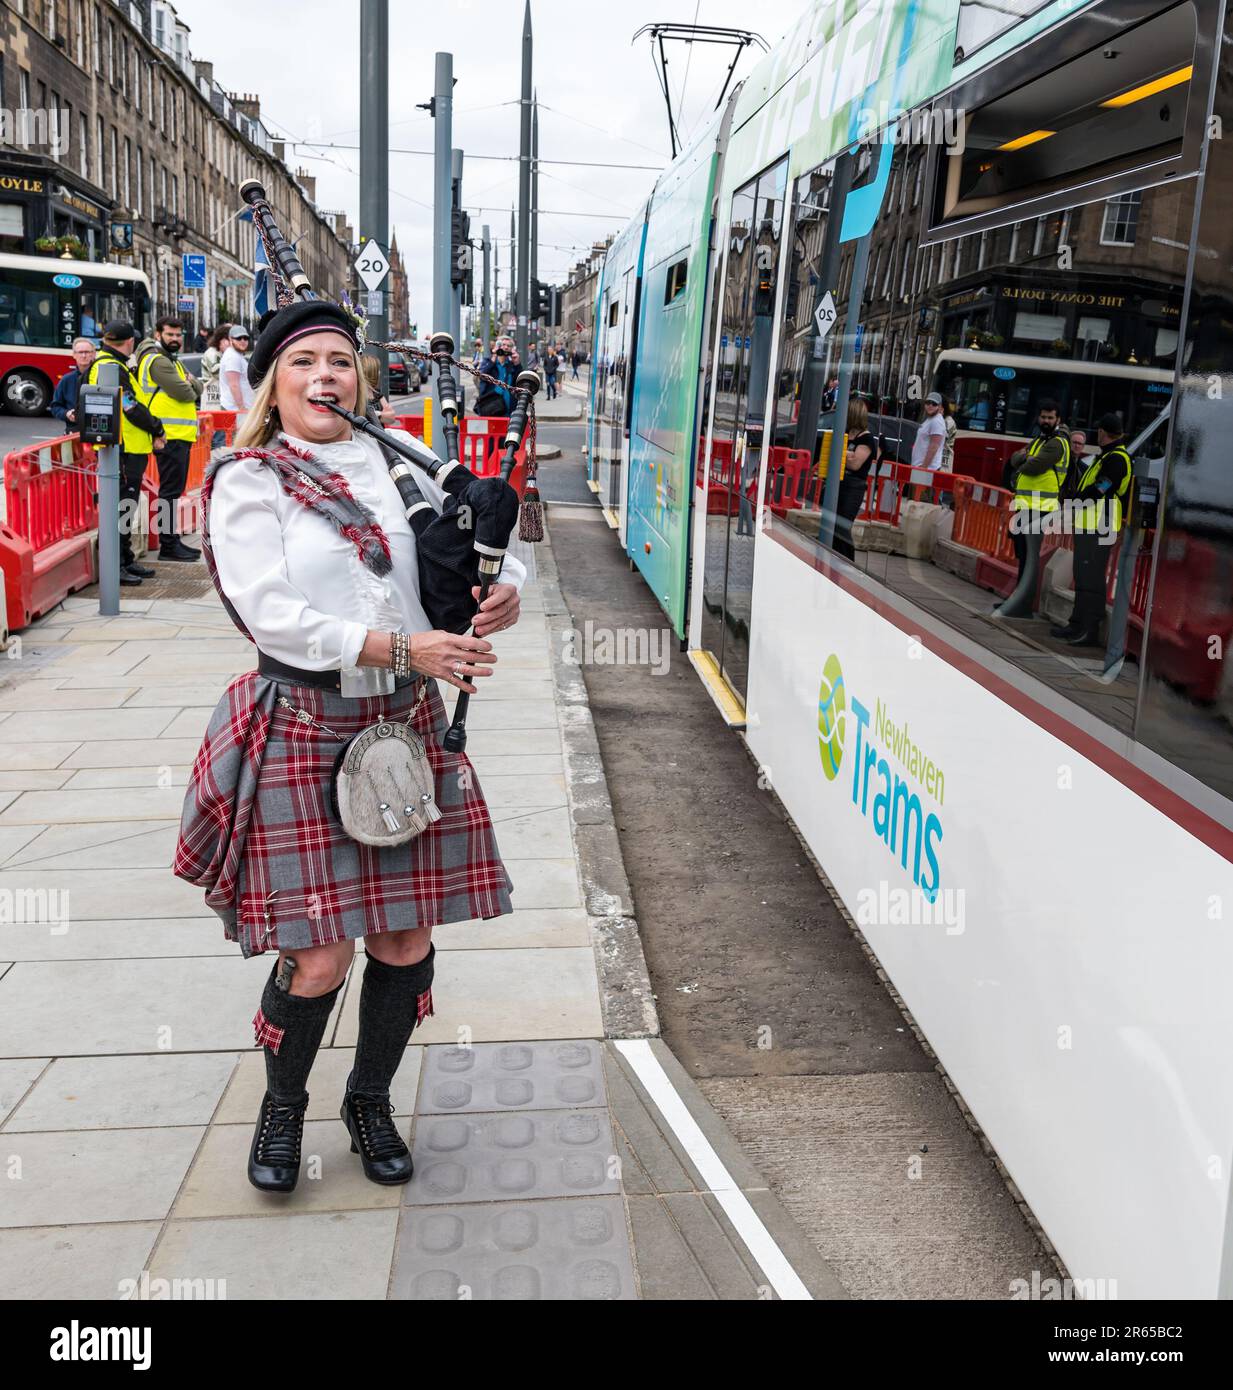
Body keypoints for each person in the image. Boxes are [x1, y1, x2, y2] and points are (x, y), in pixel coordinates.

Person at [174, 298, 527, 1194]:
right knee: (320, 950)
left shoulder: (395, 461)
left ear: (361, 380)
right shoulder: (250, 479)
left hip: (403, 723)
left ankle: (369, 1102)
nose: (324, 376)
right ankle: (283, 1107)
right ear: (272, 386)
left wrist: (500, 590)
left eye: (339, 361)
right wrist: (408, 647)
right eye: (302, 364)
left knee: (404, 939)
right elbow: (273, 615)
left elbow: (471, 550)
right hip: (304, 720)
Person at [85, 321, 166, 586]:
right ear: (129, 341)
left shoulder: (112, 365)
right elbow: (129, 407)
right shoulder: (110, 367)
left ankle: (126, 559)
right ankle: (116, 565)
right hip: (122, 450)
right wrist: (157, 427)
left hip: (128, 449)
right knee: (120, 508)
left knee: (125, 507)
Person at [1050, 413, 1133, 646]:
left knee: (1092, 577)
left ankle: (1089, 630)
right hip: (1090, 523)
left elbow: (1102, 487)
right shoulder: (1107, 456)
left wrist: (1077, 499)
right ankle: (1076, 623)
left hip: (1100, 525)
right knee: (1083, 575)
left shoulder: (1116, 458)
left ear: (1102, 433)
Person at [994, 398, 1071, 618]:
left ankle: (1022, 606)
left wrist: (1023, 460)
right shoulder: (1040, 439)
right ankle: (1017, 601)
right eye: (1043, 417)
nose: (1045, 420)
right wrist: (1022, 458)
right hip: (1027, 507)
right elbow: (1015, 457)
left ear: (1058, 420)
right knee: (1023, 555)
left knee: (1030, 558)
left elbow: (1033, 466)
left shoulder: (1056, 443)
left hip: (1040, 509)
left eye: (1050, 417)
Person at [135, 315, 203, 561]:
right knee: (170, 492)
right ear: (158, 334)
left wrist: (193, 385)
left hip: (176, 436)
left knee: (172, 492)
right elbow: (187, 392)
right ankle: (168, 545)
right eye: (170, 334)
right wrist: (192, 385)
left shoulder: (170, 360)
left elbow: (199, 387)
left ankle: (171, 540)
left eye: (178, 335)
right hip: (168, 436)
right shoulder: (159, 362)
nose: (175, 339)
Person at [834, 397, 878, 562]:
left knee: (843, 526)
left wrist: (841, 452)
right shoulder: (845, 432)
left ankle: (847, 561)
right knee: (833, 525)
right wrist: (847, 453)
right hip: (839, 483)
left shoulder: (866, 438)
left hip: (853, 487)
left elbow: (855, 464)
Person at [49, 338, 96, 427]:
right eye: (80, 352)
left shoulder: (101, 376)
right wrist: (66, 413)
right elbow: (55, 406)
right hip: (73, 431)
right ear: (74, 355)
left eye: (87, 352)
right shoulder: (66, 380)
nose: (84, 355)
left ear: (94, 354)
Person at [219, 324, 255, 415]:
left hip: (235, 409)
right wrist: (241, 408)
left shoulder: (235, 355)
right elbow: (234, 385)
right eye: (238, 338)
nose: (243, 341)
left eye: (245, 338)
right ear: (231, 339)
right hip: (234, 410)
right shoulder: (232, 357)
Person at [911, 392, 948, 471]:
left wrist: (924, 467)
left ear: (940, 406)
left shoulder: (937, 421)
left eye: (934, 404)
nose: (930, 405)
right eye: (928, 403)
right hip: (922, 467)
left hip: (928, 469)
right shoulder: (931, 419)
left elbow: (934, 446)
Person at [478, 343, 517, 414]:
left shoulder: (512, 365)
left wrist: (517, 363)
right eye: (503, 345)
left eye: (508, 346)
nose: (506, 347)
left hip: (508, 409)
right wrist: (493, 359)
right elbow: (482, 376)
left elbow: (520, 381)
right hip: (491, 406)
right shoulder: (488, 362)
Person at [361, 353, 397, 425]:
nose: (379, 373)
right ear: (370, 372)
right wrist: (381, 415)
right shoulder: (355, 395)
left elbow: (391, 418)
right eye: (377, 370)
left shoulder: (377, 394)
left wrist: (377, 414)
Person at [200, 325, 230, 410]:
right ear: (222, 340)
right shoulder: (212, 353)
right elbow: (217, 372)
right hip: (213, 397)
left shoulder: (222, 353)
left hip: (220, 398)